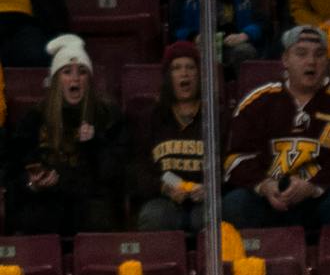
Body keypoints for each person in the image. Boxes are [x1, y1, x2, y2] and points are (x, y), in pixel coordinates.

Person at [223, 25, 330, 230]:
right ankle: (246, 263)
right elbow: (235, 158)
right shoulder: (258, 101)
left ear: (327, 62)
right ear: (285, 60)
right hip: (270, 198)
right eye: (301, 53)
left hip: (320, 198)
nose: (311, 61)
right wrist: (264, 185)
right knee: (235, 202)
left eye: (319, 54)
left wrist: (313, 186)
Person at [5, 34, 126, 235]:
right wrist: (32, 184)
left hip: (89, 202)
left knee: (97, 215)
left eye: (82, 72)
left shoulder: (107, 116)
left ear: (89, 79)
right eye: (67, 72)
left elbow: (115, 175)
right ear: (55, 80)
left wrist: (94, 144)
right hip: (45, 202)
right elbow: (14, 170)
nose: (75, 78)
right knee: (33, 217)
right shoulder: (34, 118)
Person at [133, 41, 209, 232]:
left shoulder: (215, 116)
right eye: (177, 68)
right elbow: (138, 170)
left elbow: (228, 165)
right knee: (154, 216)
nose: (184, 73)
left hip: (205, 199)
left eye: (190, 67)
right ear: (168, 77)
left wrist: (211, 188)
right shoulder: (151, 118)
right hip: (163, 199)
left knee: (209, 218)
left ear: (199, 75)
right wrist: (163, 188)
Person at [167, 0, 274, 66]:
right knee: (188, 59)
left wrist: (244, 35)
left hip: (237, 45)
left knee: (244, 52)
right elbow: (175, 28)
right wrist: (194, 37)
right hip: (198, 47)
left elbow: (263, 23)